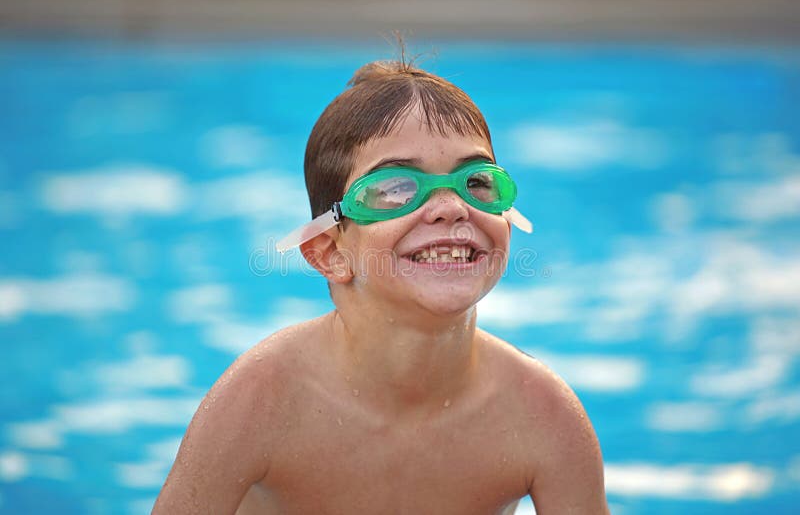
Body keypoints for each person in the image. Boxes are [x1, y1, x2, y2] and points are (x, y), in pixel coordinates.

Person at [154, 57, 610, 515]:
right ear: (330, 253)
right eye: (396, 188)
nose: (450, 207)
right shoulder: (261, 400)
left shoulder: (543, 415)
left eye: (476, 181)